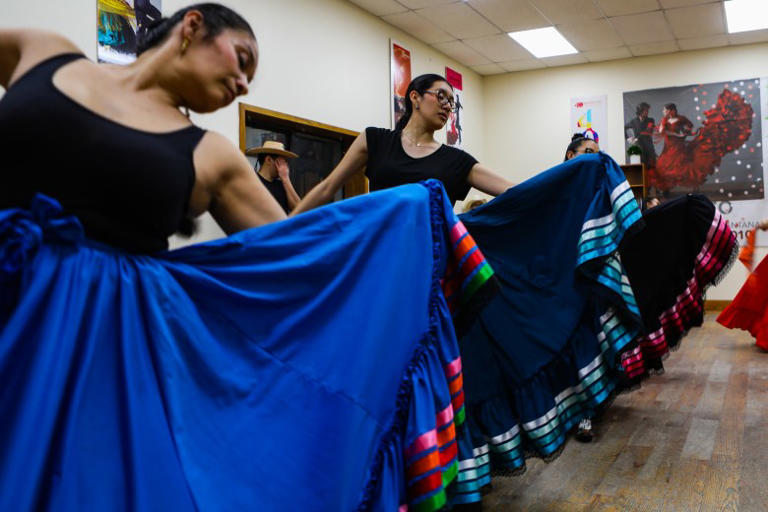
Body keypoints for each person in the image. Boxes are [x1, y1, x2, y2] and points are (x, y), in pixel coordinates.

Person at [0, 5, 485, 511]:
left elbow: (305, 252)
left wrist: (406, 211)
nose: (243, 83)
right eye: (241, 59)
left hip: (90, 340)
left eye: (250, 77)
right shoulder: (47, 52)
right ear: (191, 27)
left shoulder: (211, 155)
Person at [292, 73, 514, 214]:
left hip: (429, 263)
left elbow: (516, 192)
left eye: (452, 103)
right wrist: (281, 228)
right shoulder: (375, 140)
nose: (447, 106)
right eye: (441, 96)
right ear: (415, 97)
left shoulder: (457, 161)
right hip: (380, 251)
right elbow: (327, 187)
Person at [246, 140, 301, 213]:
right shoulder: (253, 183)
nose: (285, 166)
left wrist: (286, 179)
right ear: (268, 160)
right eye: (282, 162)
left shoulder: (282, 184)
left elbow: (299, 209)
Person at [624, 102, 657, 168]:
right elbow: (624, 128)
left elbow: (648, 131)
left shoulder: (651, 120)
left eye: (648, 110)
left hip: (649, 147)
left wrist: (637, 138)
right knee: (641, 168)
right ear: (640, 111)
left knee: (651, 167)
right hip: (639, 148)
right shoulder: (634, 121)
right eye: (645, 110)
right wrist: (627, 138)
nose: (647, 112)